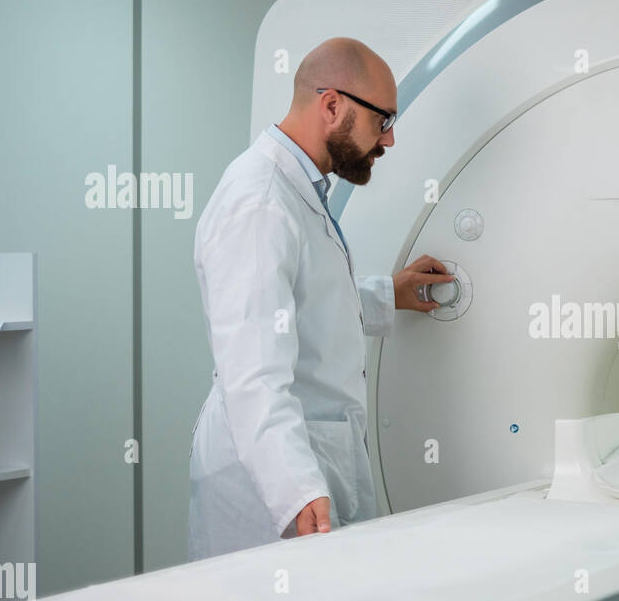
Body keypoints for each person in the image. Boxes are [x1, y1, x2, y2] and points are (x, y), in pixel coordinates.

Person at [187, 37, 454, 560]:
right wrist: (296, 490)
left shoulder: (300, 189)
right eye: (383, 121)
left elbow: (300, 306)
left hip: (312, 455)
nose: (391, 139)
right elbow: (253, 370)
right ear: (332, 105)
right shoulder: (260, 203)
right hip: (270, 483)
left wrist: (384, 296)